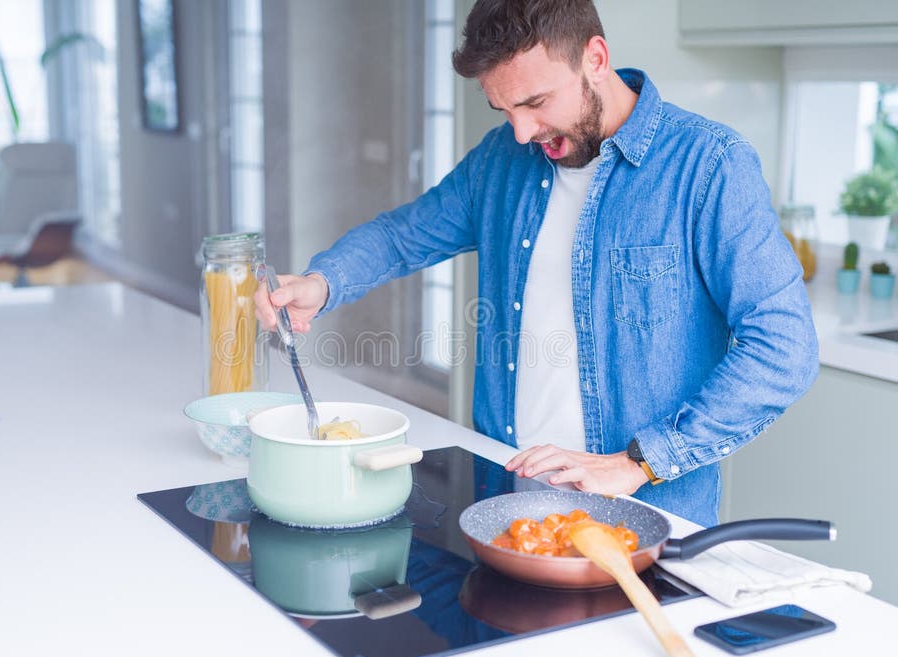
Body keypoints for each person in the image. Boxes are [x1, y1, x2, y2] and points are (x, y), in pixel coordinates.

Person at [254, 0, 818, 527]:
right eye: (504, 109)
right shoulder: (503, 158)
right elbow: (403, 236)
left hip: (646, 518)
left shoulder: (707, 166)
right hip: (508, 505)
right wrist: (321, 282)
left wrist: (637, 462)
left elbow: (784, 347)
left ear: (595, 59)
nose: (522, 131)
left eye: (535, 103)